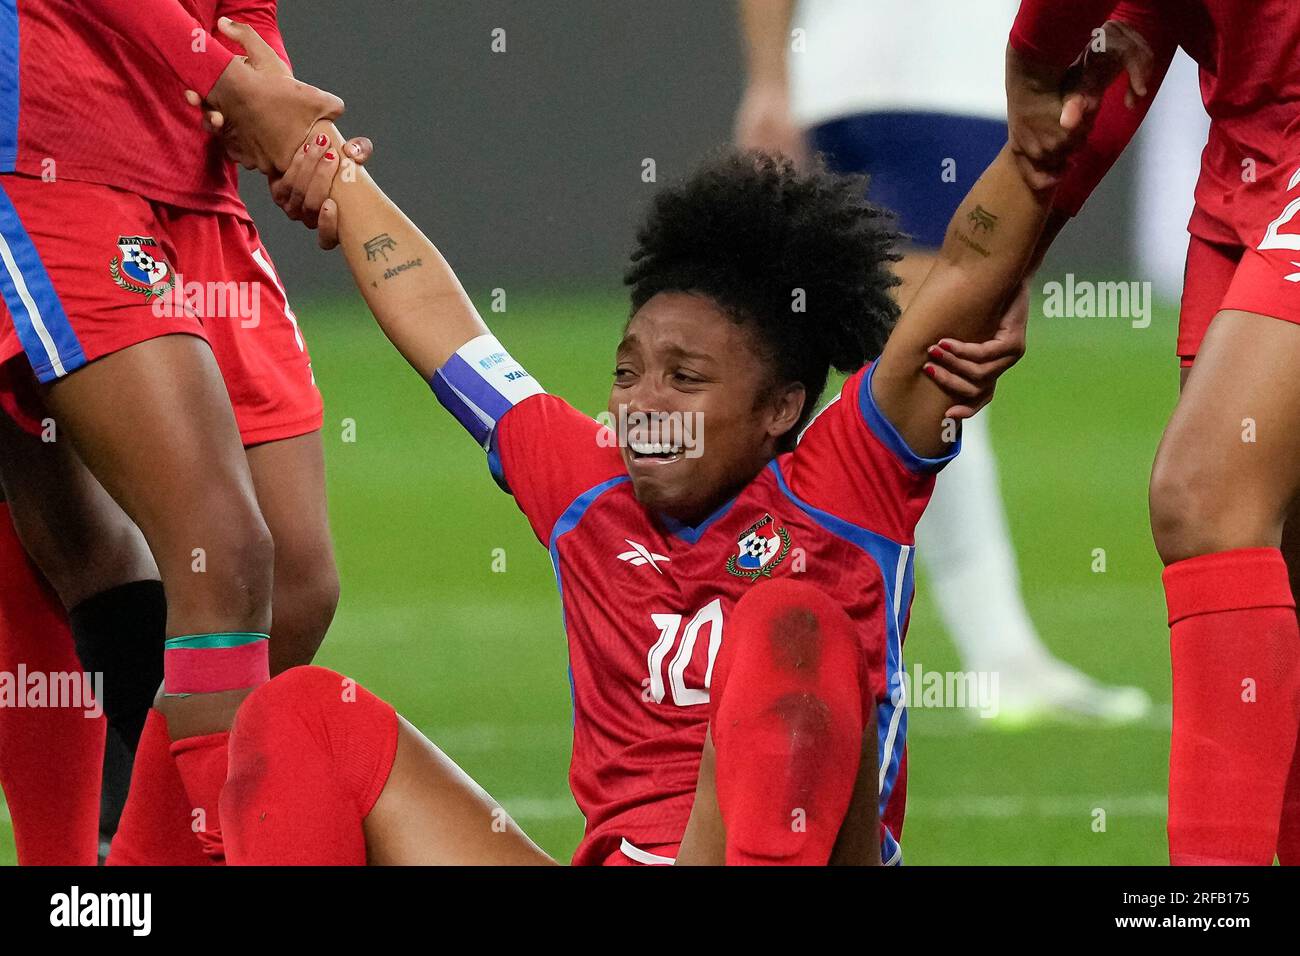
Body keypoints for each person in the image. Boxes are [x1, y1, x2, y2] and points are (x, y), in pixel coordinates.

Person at [193, 16, 1066, 862]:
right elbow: (438, 316)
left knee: (789, 627)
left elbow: (961, 270)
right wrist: (330, 166)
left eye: (685, 379)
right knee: (301, 714)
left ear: (780, 408)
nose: (642, 404)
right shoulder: (586, 481)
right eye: (627, 372)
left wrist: (1049, 145)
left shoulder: (847, 486)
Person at [733, 0, 1149, 724]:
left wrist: (772, 76)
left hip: (841, 75)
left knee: (911, 349)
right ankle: (755, 577)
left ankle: (758, 594)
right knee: (938, 358)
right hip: (957, 68)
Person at [0, 2, 349, 864]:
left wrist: (272, 97)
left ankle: (131, 869)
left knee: (296, 579)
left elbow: (243, 10)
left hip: (192, 172)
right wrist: (228, 79)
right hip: (51, 144)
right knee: (214, 549)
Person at [998, 0, 1300, 865]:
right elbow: (1138, 36)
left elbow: (1064, 41)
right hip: (1247, 172)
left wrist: (1030, 54)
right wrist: (1024, 247)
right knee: (1274, 566)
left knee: (1205, 497)